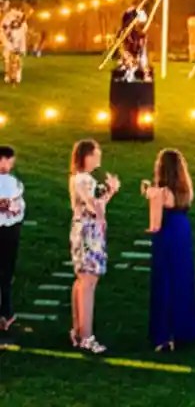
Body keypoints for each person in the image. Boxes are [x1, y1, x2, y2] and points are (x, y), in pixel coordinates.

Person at [144, 149, 195, 352]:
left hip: (166, 236)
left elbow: (155, 225)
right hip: (182, 231)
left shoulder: (161, 192)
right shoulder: (185, 190)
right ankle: (185, 329)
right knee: (182, 279)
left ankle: (165, 333)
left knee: (164, 281)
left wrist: (151, 198)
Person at [69, 139, 120, 353]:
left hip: (84, 230)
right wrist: (109, 190)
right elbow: (93, 207)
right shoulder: (83, 179)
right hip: (88, 232)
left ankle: (78, 331)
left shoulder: (80, 179)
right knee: (88, 282)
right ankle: (86, 336)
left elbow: (96, 205)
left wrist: (108, 193)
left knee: (83, 280)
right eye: (96, 154)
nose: (98, 159)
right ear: (86, 156)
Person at [0, 146, 23, 331]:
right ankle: (5, 313)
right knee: (6, 271)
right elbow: (9, 203)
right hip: (8, 229)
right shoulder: (9, 182)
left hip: (8, 227)